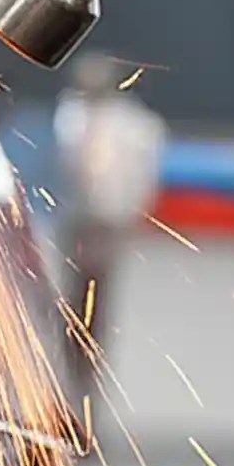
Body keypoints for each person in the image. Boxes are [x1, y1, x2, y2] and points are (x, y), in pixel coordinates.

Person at [53, 53, 167, 397]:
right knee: (76, 308)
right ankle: (73, 384)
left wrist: (129, 212)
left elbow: (140, 177)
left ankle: (84, 388)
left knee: (93, 308)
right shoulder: (76, 117)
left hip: (106, 222)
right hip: (84, 222)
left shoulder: (132, 127)